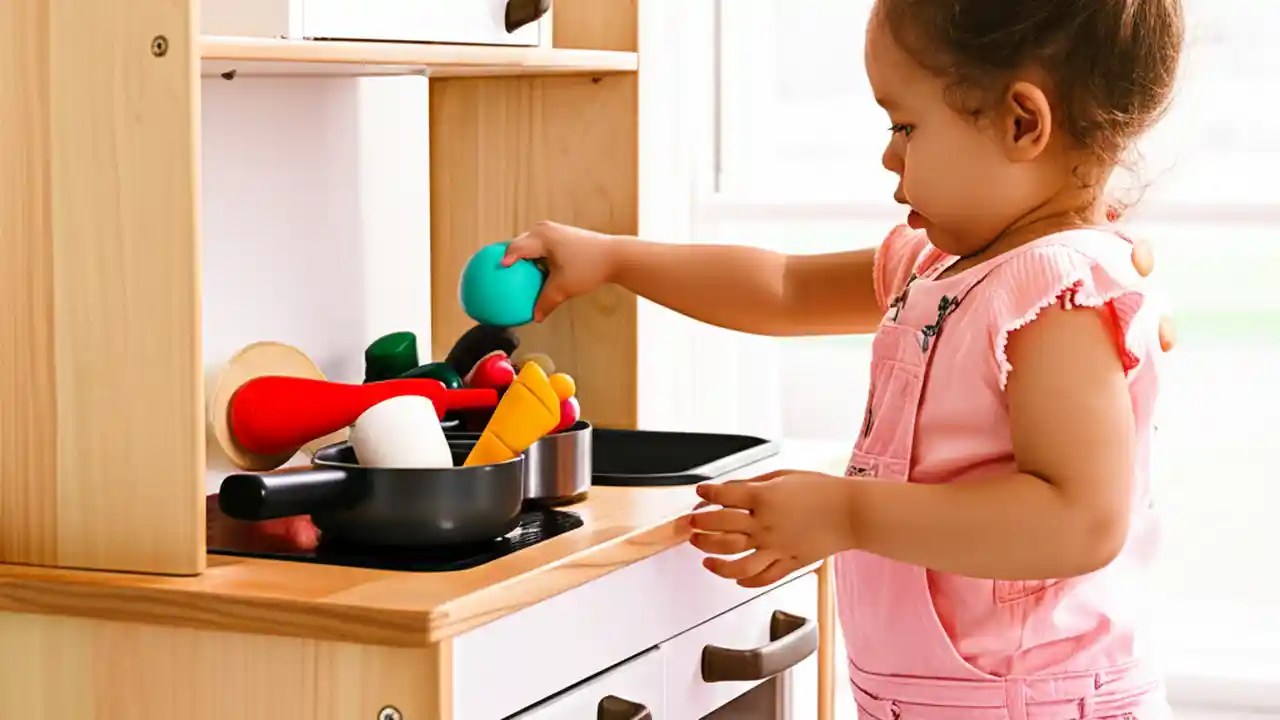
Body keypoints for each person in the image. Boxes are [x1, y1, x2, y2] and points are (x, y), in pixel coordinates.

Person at [503, 0, 1184, 716]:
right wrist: (611, 259)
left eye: (904, 126)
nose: (889, 156)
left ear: (1022, 123)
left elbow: (1078, 521)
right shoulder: (938, 266)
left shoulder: (1056, 292)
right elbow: (783, 287)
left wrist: (848, 513)